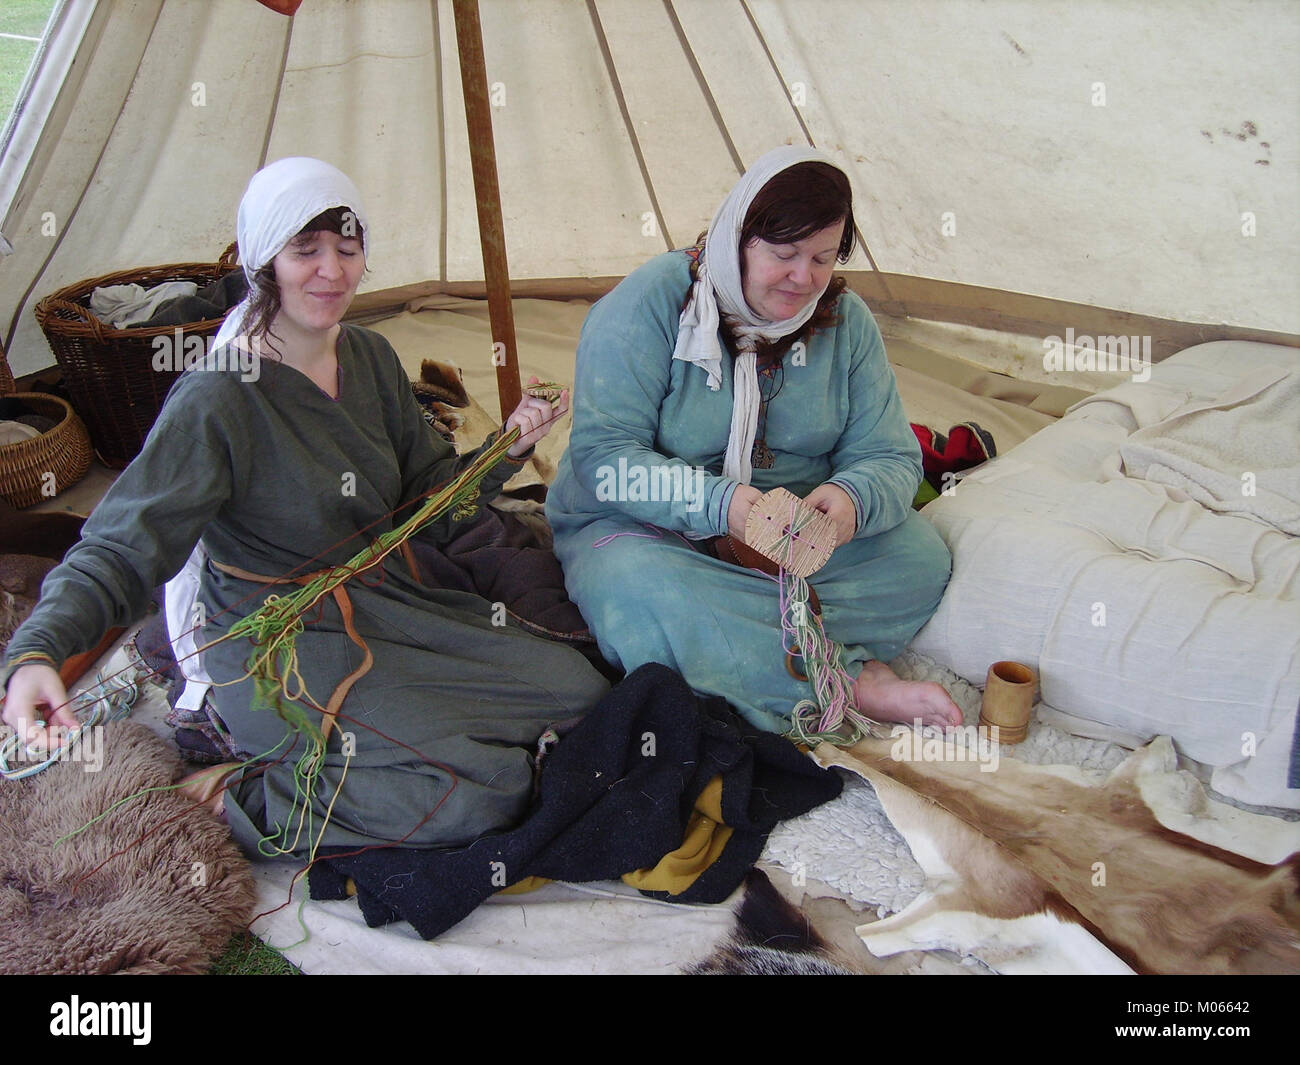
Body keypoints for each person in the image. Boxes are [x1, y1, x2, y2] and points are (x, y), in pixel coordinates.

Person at [1, 157, 609, 856]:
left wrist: (507, 446)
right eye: (306, 250)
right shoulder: (220, 398)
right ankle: (248, 794)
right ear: (265, 259)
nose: (332, 271)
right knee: (469, 791)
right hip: (277, 645)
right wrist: (38, 649)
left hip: (388, 601)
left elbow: (431, 506)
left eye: (348, 250)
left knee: (577, 693)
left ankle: (398, 735)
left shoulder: (372, 360)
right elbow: (122, 543)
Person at [546, 146, 961, 735]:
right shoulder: (650, 304)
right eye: (784, 254)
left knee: (919, 561)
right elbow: (604, 459)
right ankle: (841, 679)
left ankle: (753, 646)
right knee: (640, 591)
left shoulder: (847, 323)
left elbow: (889, 455)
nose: (804, 278)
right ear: (736, 238)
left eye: (822, 258)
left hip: (790, 538)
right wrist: (723, 506)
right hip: (654, 534)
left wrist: (851, 501)